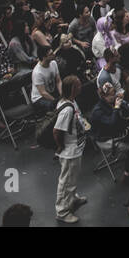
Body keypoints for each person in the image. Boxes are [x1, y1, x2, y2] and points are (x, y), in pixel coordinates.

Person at [52, 75, 87, 224]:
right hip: (69, 152)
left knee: (71, 179)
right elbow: (56, 131)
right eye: (79, 85)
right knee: (66, 182)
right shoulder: (66, 109)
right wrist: (60, 146)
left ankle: (72, 198)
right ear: (73, 89)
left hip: (76, 148)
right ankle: (62, 211)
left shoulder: (72, 101)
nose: (81, 87)